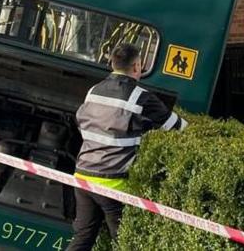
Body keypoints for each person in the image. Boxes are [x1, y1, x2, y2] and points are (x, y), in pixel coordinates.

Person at [67, 43, 188, 250]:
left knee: (83, 238)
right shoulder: (141, 96)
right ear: (137, 67)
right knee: (124, 243)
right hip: (113, 184)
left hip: (83, 177)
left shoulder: (93, 91)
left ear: (112, 64)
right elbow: (178, 127)